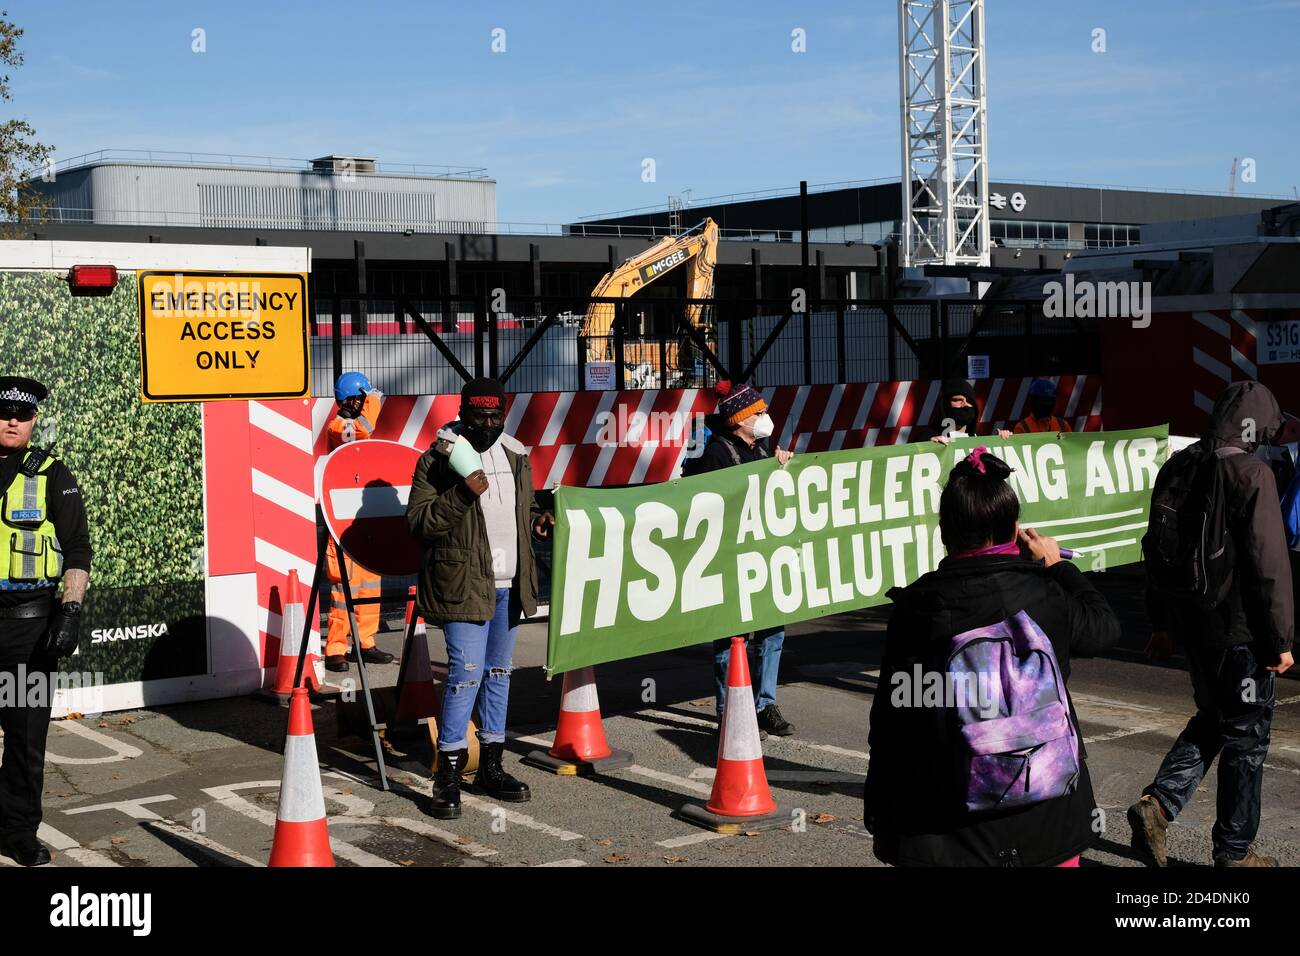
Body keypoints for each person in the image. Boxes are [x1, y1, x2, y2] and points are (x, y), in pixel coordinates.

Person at [864, 447, 1121, 867]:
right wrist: (1058, 567)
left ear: (945, 532)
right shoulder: (1046, 593)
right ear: (1014, 529)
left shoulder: (918, 610)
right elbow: (1104, 630)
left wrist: (882, 817)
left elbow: (893, 726)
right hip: (1047, 816)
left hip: (949, 828)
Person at [1131, 381, 1294, 868]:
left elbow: (1153, 549)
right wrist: (1281, 639)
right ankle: (1234, 854)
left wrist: (1160, 623)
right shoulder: (1252, 472)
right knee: (1246, 737)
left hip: (1192, 625)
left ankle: (1158, 805)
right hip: (1241, 633)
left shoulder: (1178, 466)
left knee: (1214, 718)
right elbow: (1270, 564)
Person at [406, 377, 554, 819]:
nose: (487, 424)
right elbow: (420, 523)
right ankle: (447, 773)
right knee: (465, 674)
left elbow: (521, 510)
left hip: (510, 583)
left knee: (498, 674)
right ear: (463, 413)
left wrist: (538, 521)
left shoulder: (515, 453)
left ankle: (491, 764)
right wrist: (461, 493)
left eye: (495, 416)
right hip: (463, 582)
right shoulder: (438, 457)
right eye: (478, 416)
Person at [0, 377, 92, 867]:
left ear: (34, 420)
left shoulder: (53, 474)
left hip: (27, 631)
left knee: (24, 738)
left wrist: (71, 610)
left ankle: (17, 831)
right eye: (4, 411)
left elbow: (78, 547)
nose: (12, 420)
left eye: (23, 414)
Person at [685, 380, 796, 738]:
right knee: (731, 638)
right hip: (729, 560)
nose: (765, 418)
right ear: (739, 420)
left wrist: (781, 468)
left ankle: (765, 704)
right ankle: (728, 708)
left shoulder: (762, 451)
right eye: (758, 413)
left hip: (761, 557)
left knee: (771, 632)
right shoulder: (717, 454)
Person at [323, 371, 394, 672]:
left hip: (364, 519)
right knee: (344, 588)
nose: (368, 403)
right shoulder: (338, 426)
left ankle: (365, 643)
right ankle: (336, 648)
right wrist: (375, 401)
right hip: (343, 521)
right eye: (364, 398)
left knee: (369, 585)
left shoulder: (349, 423)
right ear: (355, 399)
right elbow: (363, 430)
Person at [913, 378, 1013, 444]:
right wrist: (928, 446)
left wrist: (1001, 441)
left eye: (969, 401)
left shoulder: (977, 439)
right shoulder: (927, 436)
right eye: (957, 400)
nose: (964, 404)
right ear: (945, 405)